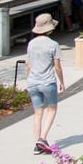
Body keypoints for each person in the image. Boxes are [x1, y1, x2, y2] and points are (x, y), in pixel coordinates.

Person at [26, 13, 66, 155]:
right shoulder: (53, 45)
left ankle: (37, 143)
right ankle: (42, 138)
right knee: (52, 109)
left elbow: (28, 65)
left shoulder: (31, 44)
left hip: (32, 81)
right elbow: (57, 66)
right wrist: (62, 82)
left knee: (38, 113)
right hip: (47, 81)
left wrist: (29, 79)